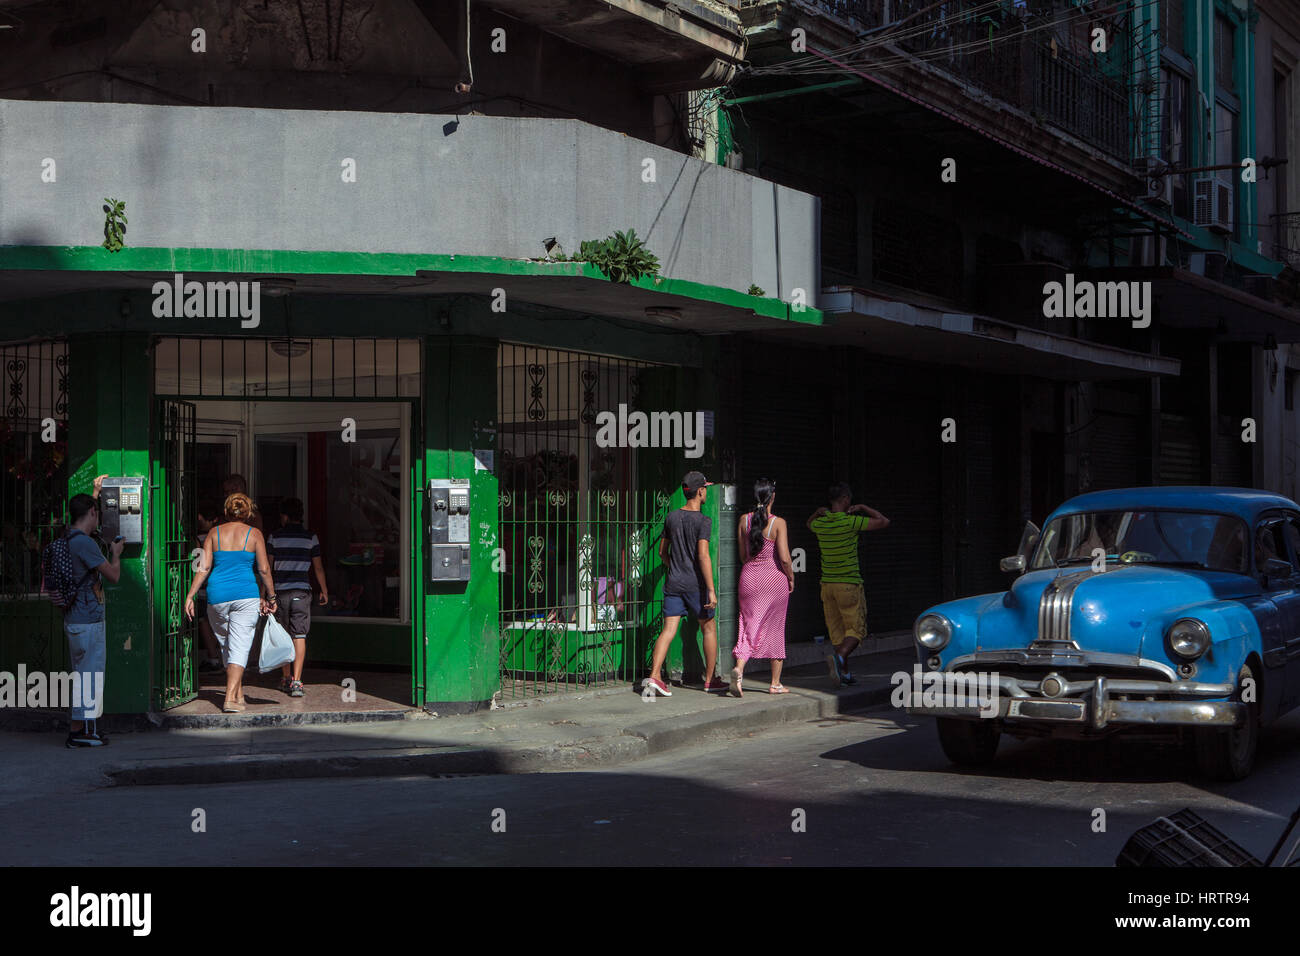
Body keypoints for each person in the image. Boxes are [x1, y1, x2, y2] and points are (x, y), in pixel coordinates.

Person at [184, 493, 277, 713]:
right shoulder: (255, 534)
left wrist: (190, 595)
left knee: (229, 645)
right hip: (246, 595)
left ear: (225, 512)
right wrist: (271, 596)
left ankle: (238, 693)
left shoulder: (214, 533)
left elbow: (204, 567)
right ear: (248, 513)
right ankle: (229, 698)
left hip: (217, 597)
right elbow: (264, 569)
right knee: (239, 645)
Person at [643, 471, 726, 696]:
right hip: (695, 585)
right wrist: (710, 589)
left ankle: (655, 676)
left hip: (673, 583)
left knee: (668, 630)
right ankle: (710, 680)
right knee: (708, 627)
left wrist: (674, 567)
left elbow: (662, 552)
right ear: (700, 492)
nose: (706, 491)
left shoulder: (671, 517)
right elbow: (703, 555)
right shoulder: (703, 521)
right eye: (705, 488)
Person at [60, 476, 124, 747]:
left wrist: (96, 492)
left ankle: (81, 730)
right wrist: (116, 553)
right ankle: (81, 735)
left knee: (83, 676)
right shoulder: (84, 544)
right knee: (90, 678)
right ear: (93, 513)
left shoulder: (68, 537)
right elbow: (113, 576)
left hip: (75, 619)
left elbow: (87, 512)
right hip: (89, 621)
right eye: (97, 512)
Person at [808, 482, 890, 687]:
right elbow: (883, 521)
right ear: (845, 500)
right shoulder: (851, 522)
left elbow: (808, 524)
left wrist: (817, 513)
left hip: (827, 586)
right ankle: (840, 657)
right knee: (856, 630)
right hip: (848, 584)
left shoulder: (822, 524)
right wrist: (863, 508)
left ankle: (844, 673)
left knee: (837, 631)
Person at [731, 478, 795, 697]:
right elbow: (785, 559)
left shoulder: (743, 521)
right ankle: (775, 682)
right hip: (773, 579)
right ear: (772, 496)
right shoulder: (778, 523)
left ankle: (739, 668)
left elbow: (742, 555)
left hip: (748, 578)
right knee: (775, 628)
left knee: (748, 624)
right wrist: (791, 578)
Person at [267, 497, 328, 698]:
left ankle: (285, 677)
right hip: (301, 593)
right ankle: (297, 681)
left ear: (284, 516)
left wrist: (265, 594)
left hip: (280, 593)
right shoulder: (311, 537)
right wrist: (324, 590)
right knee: (299, 635)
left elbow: (267, 568)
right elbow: (318, 567)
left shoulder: (274, 537)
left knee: (283, 635)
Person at [194, 500, 224, 674]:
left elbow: (196, 566)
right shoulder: (221, 537)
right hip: (219, 586)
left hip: (204, 587)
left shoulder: (199, 539)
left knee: (204, 621)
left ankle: (213, 658)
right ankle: (223, 657)